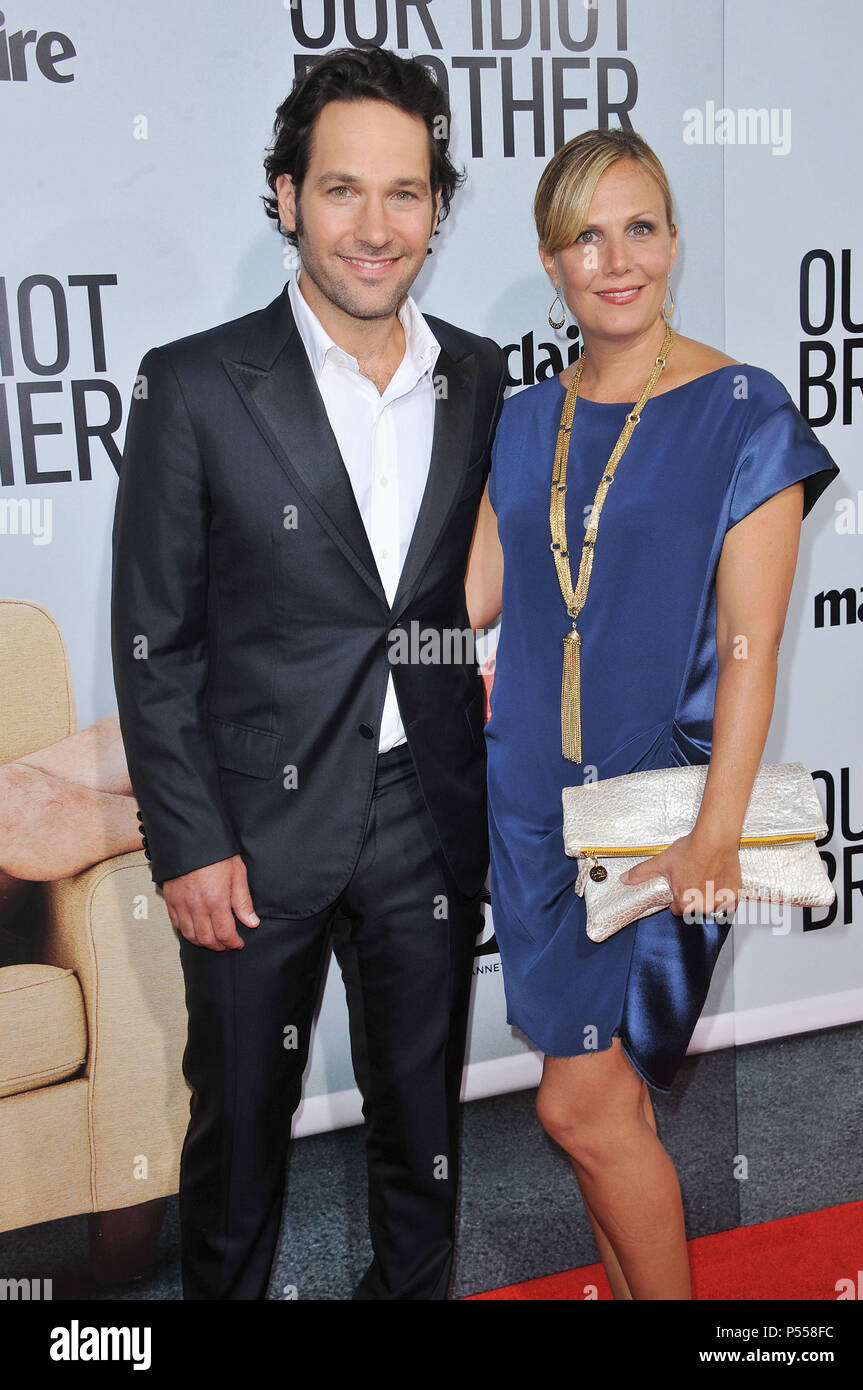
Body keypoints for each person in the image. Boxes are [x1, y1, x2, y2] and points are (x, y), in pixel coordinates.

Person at [111, 46, 506, 1300]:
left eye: (404, 193)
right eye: (341, 190)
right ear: (284, 196)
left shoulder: (480, 375)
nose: (374, 227)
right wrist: (186, 844)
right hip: (248, 833)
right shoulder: (193, 384)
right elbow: (154, 640)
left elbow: (453, 598)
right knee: (234, 1157)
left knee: (423, 1150)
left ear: (437, 208)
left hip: (422, 819)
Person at [465, 127, 838, 1300]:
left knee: (578, 1102)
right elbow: (465, 593)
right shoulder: (525, 418)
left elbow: (749, 649)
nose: (614, 258)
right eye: (585, 234)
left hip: (658, 806)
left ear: (672, 241)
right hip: (527, 803)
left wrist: (715, 833)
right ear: (550, 259)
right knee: (601, 1102)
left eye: (638, 227)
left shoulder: (741, 409)